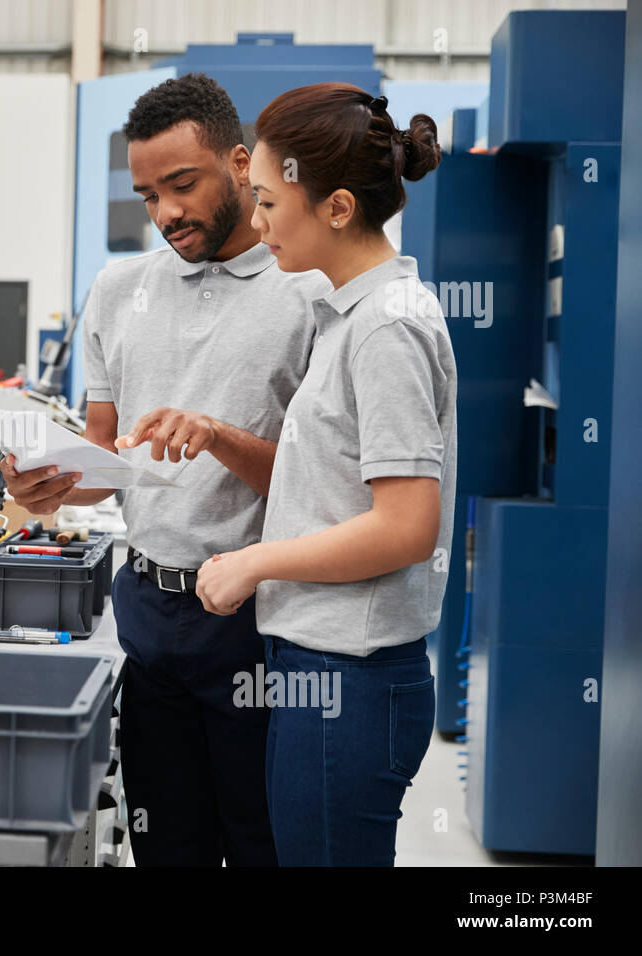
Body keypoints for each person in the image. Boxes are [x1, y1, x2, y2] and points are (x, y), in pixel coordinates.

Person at [0, 74, 329, 866]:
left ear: (242, 165)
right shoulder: (117, 291)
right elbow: (108, 459)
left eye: (183, 185)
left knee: (263, 842)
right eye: (148, 195)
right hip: (147, 611)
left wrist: (217, 435)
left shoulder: (310, 292)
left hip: (260, 617)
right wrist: (45, 483)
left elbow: (324, 488)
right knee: (165, 842)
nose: (166, 213)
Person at [196, 83, 455, 866]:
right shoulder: (349, 316)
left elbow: (408, 527)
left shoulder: (388, 328)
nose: (259, 222)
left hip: (354, 676)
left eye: (270, 202)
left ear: (337, 207)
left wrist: (254, 560)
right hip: (322, 667)